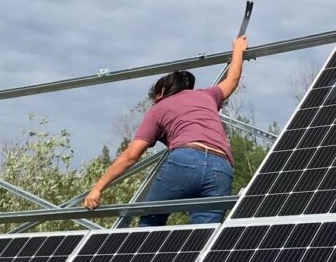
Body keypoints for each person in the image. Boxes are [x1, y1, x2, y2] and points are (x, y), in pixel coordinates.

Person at [83, 33, 248, 225]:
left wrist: (98, 188)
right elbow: (233, 80)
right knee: (204, 234)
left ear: (161, 92)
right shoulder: (207, 95)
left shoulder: (159, 108)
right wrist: (238, 49)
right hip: (221, 167)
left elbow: (131, 156)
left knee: (150, 223)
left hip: (186, 160)